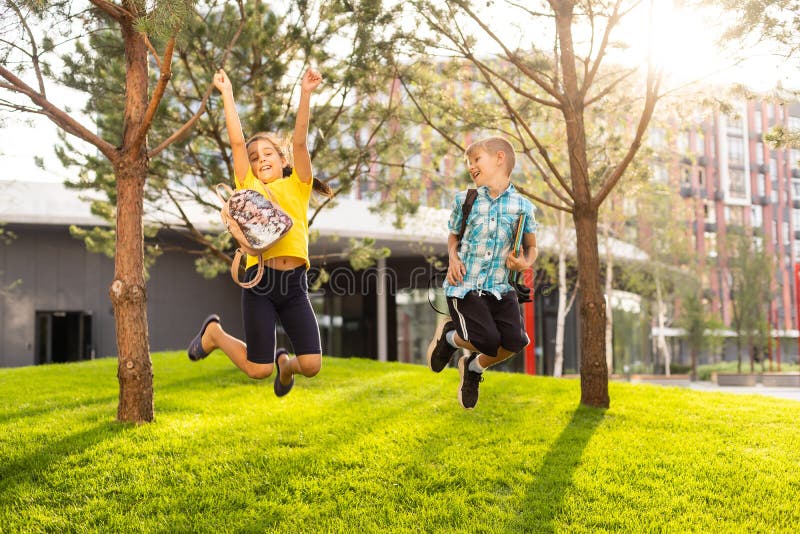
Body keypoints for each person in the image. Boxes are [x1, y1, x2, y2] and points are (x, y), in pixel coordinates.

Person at [187, 67, 331, 397]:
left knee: (311, 365)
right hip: (260, 283)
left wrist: (305, 94)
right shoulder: (250, 186)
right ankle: (215, 335)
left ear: (283, 159)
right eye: (255, 158)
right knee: (258, 369)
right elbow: (237, 141)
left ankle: (288, 366)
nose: (260, 159)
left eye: (267, 154)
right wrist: (227, 94)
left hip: (294, 286)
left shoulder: (299, 185)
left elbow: (299, 141)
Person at [426, 136, 538, 409]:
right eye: (468, 163)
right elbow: (453, 237)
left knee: (514, 342)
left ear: (500, 158)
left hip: (500, 289)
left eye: (476, 160)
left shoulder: (523, 206)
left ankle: (473, 369)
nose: (471, 166)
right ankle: (450, 336)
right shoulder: (466, 199)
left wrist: (524, 263)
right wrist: (453, 258)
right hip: (465, 285)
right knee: (487, 341)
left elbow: (532, 247)